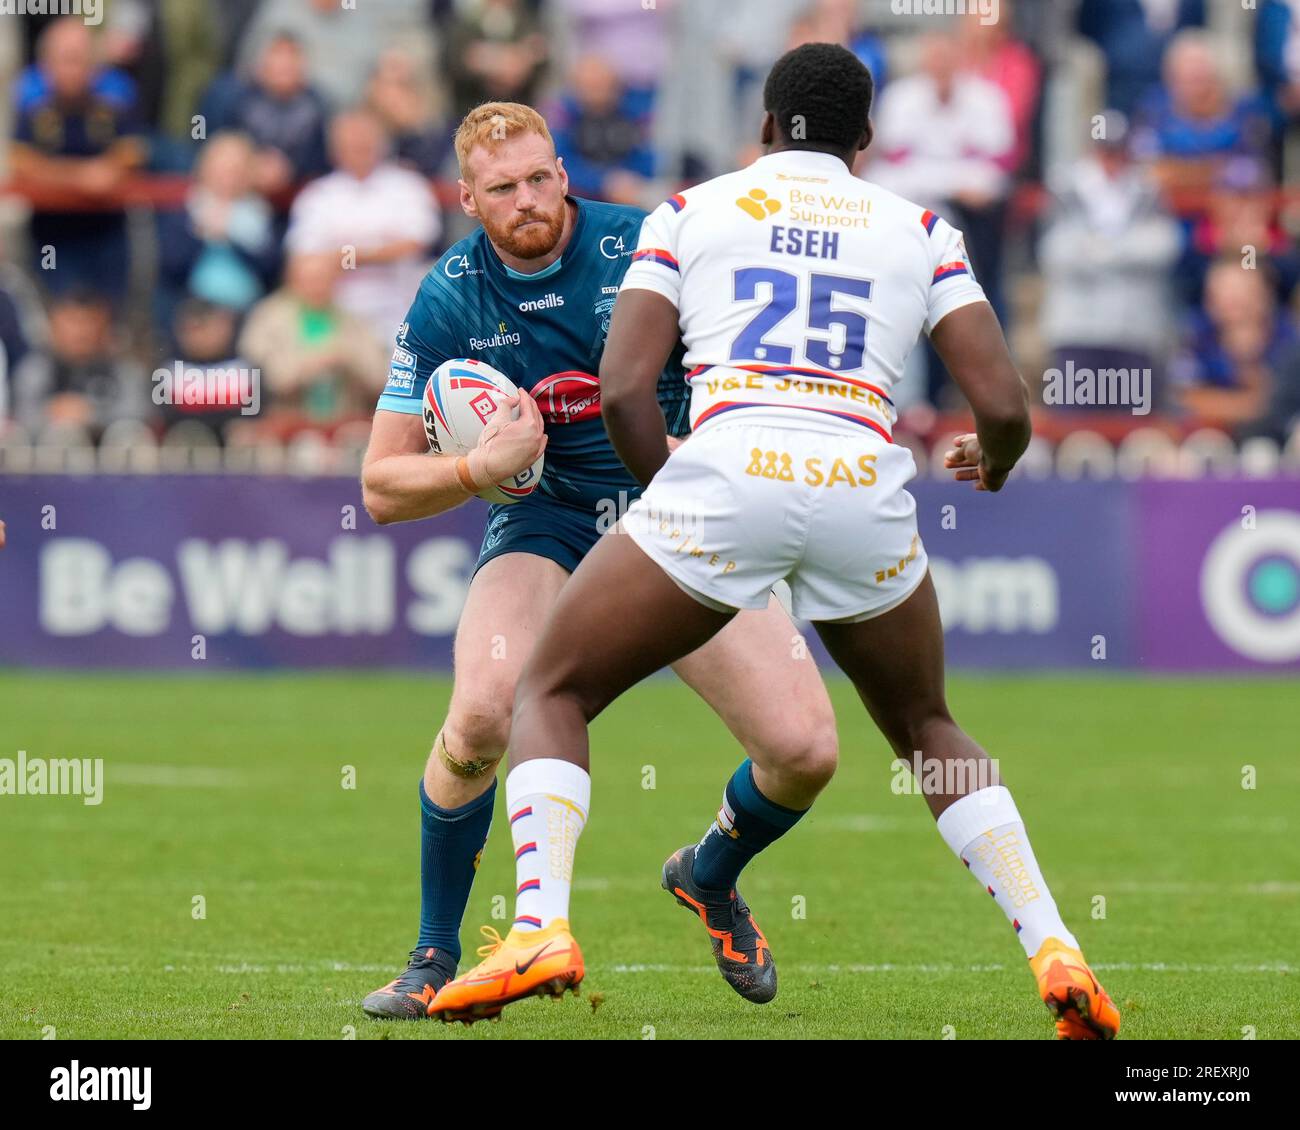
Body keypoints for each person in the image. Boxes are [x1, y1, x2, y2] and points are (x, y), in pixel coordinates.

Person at [429, 44, 1122, 1042]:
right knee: (927, 725)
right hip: (859, 484)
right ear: (867, 139)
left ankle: (540, 925)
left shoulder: (691, 211)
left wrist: (678, 498)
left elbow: (626, 387)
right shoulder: (918, 227)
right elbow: (1004, 403)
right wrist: (997, 458)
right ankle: (1054, 943)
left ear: (762, 126)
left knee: (553, 688)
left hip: (729, 472)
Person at [358, 101, 837, 1018]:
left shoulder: (648, 245)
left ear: (564, 174)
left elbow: (747, 364)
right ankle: (432, 955)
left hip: (676, 518)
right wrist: (477, 469)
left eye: (541, 178)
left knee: (803, 750)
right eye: (503, 188)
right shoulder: (449, 297)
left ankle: (709, 870)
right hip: (545, 521)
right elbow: (381, 486)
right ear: (467, 197)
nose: (528, 199)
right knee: (479, 717)